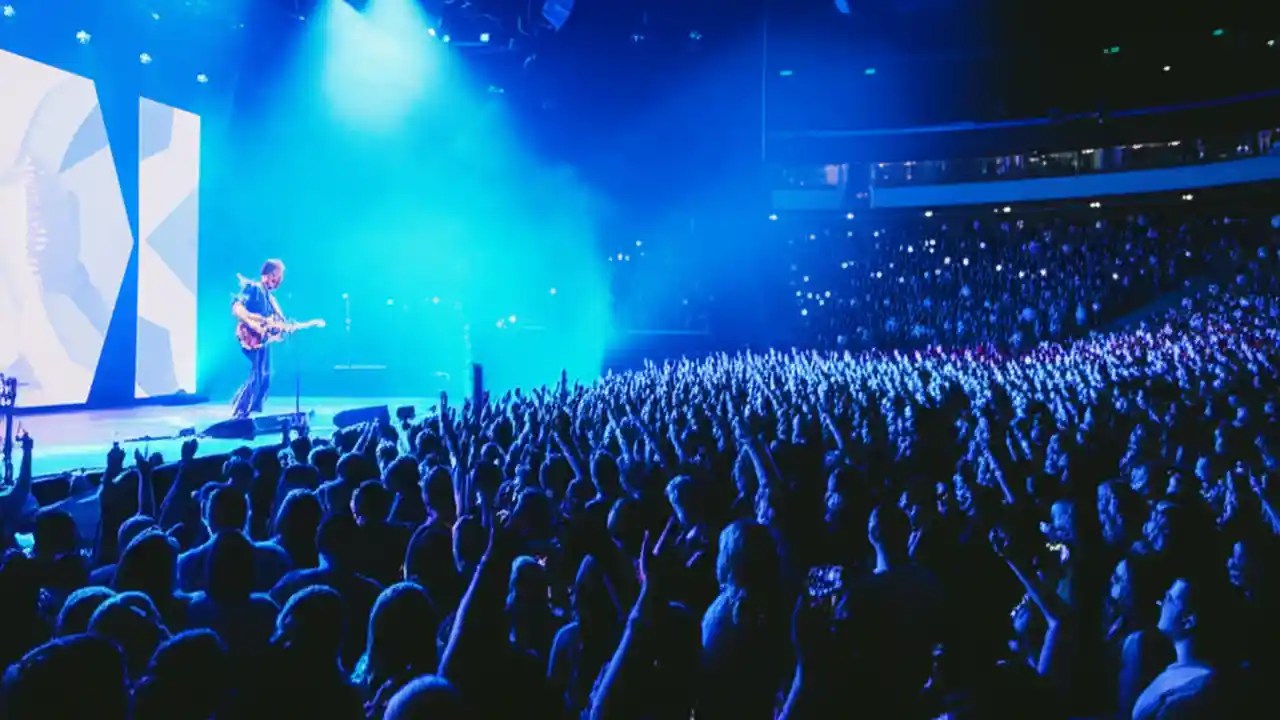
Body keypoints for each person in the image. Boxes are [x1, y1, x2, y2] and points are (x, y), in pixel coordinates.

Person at [231, 258, 286, 419]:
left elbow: (273, 322)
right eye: (273, 274)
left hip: (264, 341)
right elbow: (237, 307)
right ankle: (241, 411)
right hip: (250, 337)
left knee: (266, 375)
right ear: (265, 274)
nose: (275, 279)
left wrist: (279, 329)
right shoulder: (253, 288)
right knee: (258, 374)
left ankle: (251, 410)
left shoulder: (271, 298)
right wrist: (252, 323)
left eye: (278, 276)